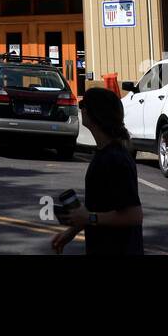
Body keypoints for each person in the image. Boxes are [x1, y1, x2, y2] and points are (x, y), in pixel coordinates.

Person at [52, 86, 143, 255]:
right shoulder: (105, 153)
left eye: (83, 105)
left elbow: (134, 215)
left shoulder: (116, 159)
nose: (81, 108)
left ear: (94, 113)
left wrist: (89, 218)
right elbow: (101, 208)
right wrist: (72, 231)